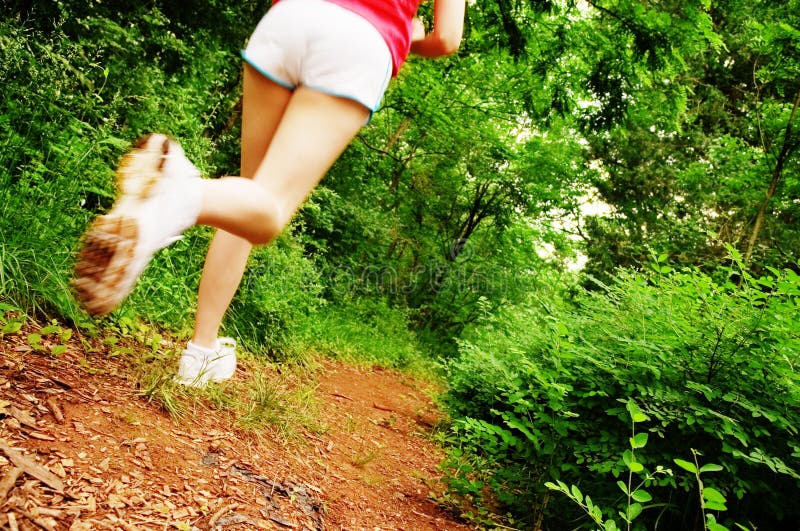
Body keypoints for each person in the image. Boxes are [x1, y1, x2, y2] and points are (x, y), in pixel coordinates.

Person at [73, 0, 466, 386]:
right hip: (359, 41)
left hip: (287, 21)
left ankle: (201, 353)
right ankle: (175, 196)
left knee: (246, 197)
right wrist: (410, 37)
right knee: (269, 215)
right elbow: (447, 38)